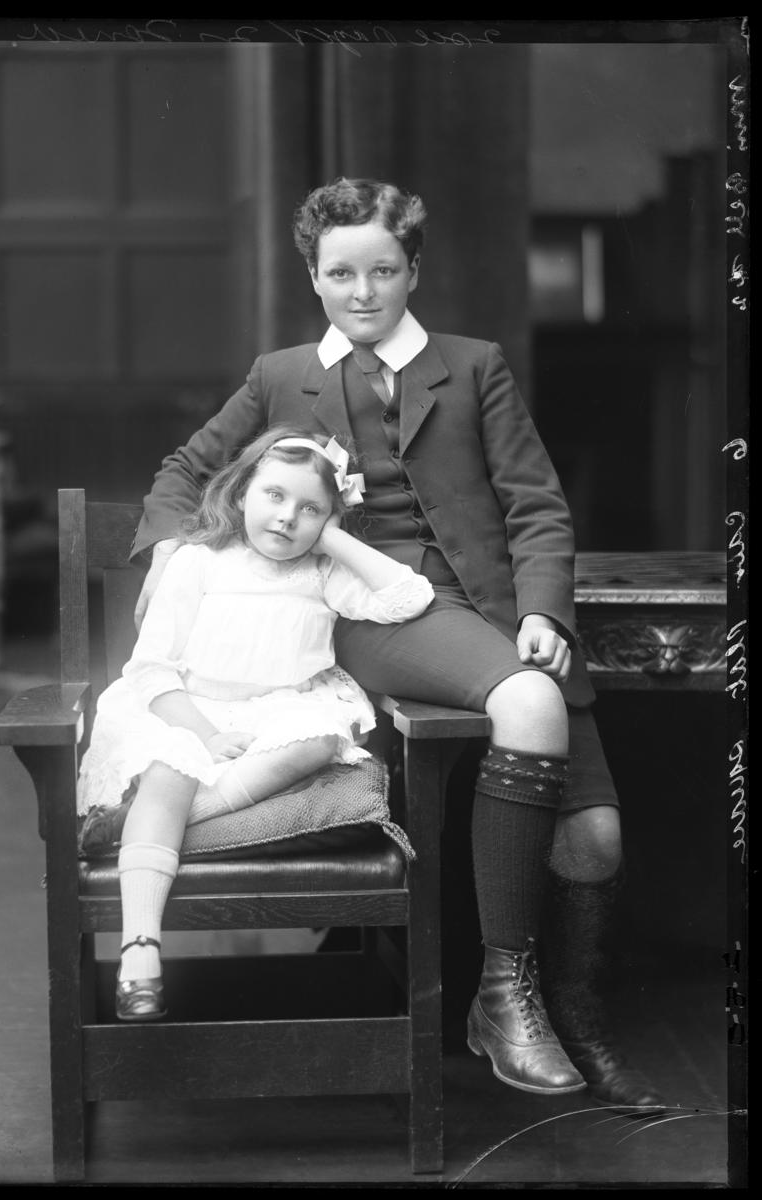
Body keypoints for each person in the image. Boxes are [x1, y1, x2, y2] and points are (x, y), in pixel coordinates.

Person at [130, 177, 665, 1111]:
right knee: (527, 704)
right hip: (378, 615)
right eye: (341, 273)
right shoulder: (280, 374)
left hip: (491, 610)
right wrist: (177, 552)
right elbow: (187, 472)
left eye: (383, 270)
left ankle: (574, 1020)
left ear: (412, 269)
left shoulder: (473, 365)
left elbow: (534, 504)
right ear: (314, 275)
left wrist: (542, 608)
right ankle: (504, 1001)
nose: (363, 292)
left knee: (595, 839)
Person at [77, 423, 435, 1022]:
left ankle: (136, 830)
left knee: (322, 736)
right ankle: (140, 947)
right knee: (173, 766)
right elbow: (151, 669)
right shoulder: (199, 562)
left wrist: (336, 542)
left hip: (279, 708)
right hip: (186, 707)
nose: (288, 518)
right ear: (243, 491)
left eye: (310, 510)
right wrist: (207, 735)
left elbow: (409, 597)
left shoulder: (320, 572)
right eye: (274, 496)